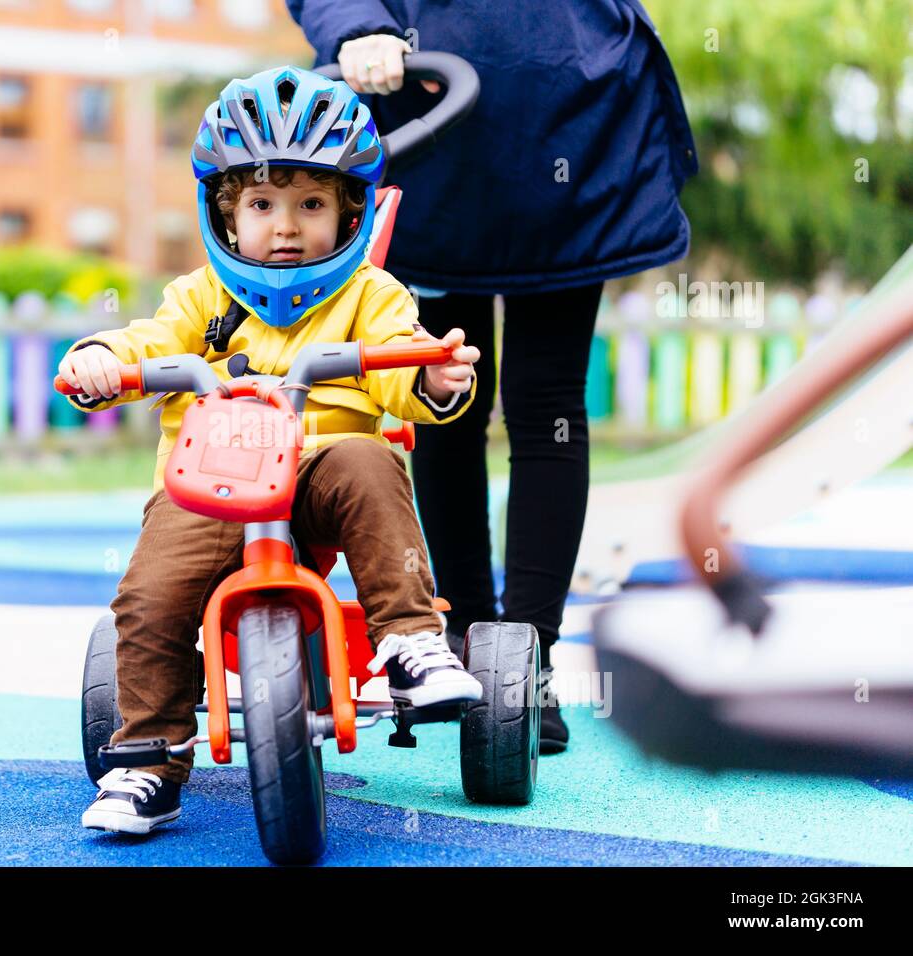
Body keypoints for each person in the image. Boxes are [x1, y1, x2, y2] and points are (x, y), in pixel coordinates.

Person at [59, 67, 484, 835]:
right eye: (262, 204)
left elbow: (400, 364)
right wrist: (100, 359)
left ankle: (413, 641)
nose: (285, 227)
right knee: (148, 598)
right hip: (211, 485)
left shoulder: (371, 294)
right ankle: (145, 759)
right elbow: (148, 343)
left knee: (370, 460)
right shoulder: (199, 298)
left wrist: (432, 373)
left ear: (349, 211)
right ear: (226, 212)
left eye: (311, 205)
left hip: (322, 475)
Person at [286, 0, 700, 753]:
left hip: (574, 111)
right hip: (432, 112)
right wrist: (355, 28)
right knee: (446, 394)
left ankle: (528, 661)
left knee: (547, 404)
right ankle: (470, 642)